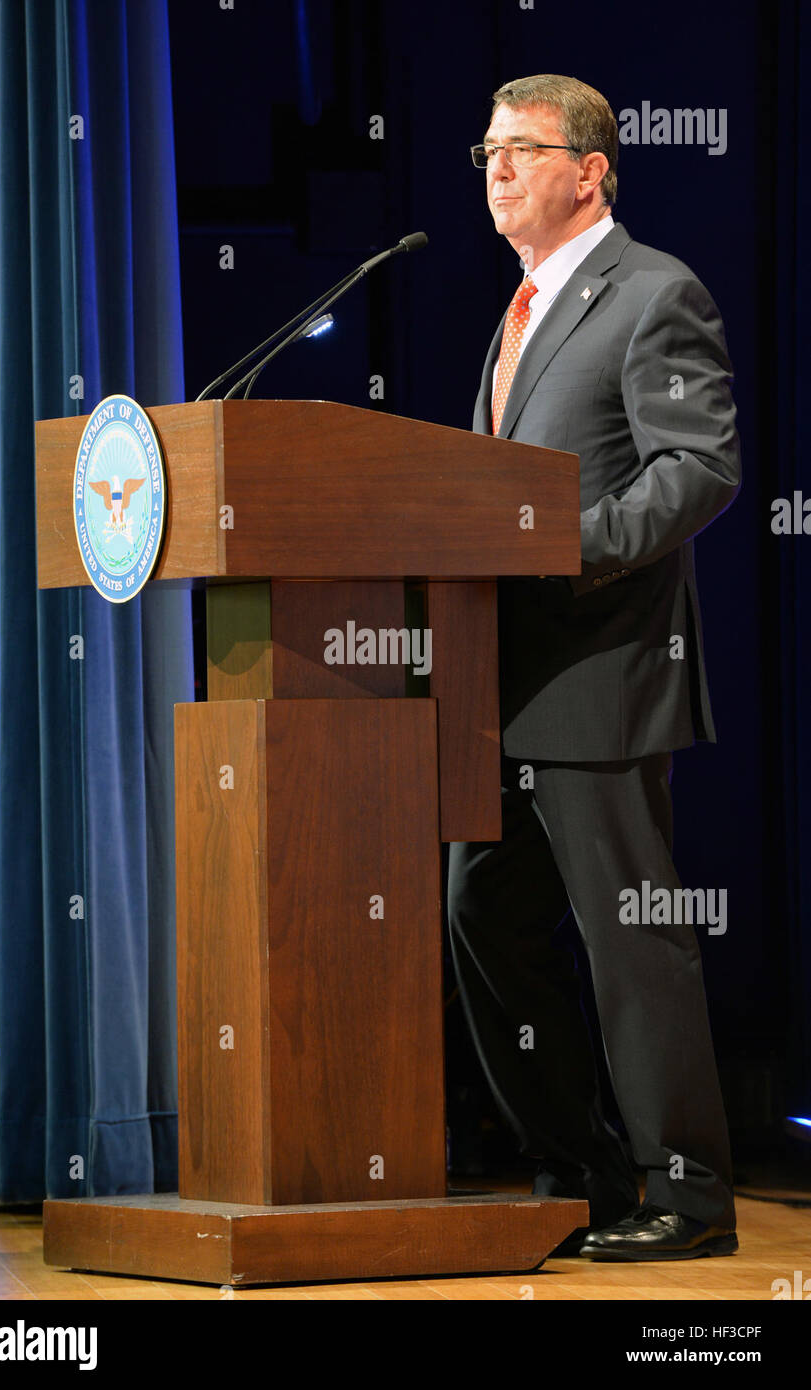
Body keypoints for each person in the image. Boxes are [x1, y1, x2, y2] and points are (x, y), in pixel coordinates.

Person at [447, 74, 740, 1260]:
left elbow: (696, 469)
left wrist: (562, 552)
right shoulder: (518, 310)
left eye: (523, 149)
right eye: (487, 150)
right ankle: (582, 1172)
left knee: (631, 939)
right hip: (501, 687)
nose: (497, 168)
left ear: (591, 170)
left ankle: (688, 1195)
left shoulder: (652, 293)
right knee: (482, 917)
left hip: (604, 670)